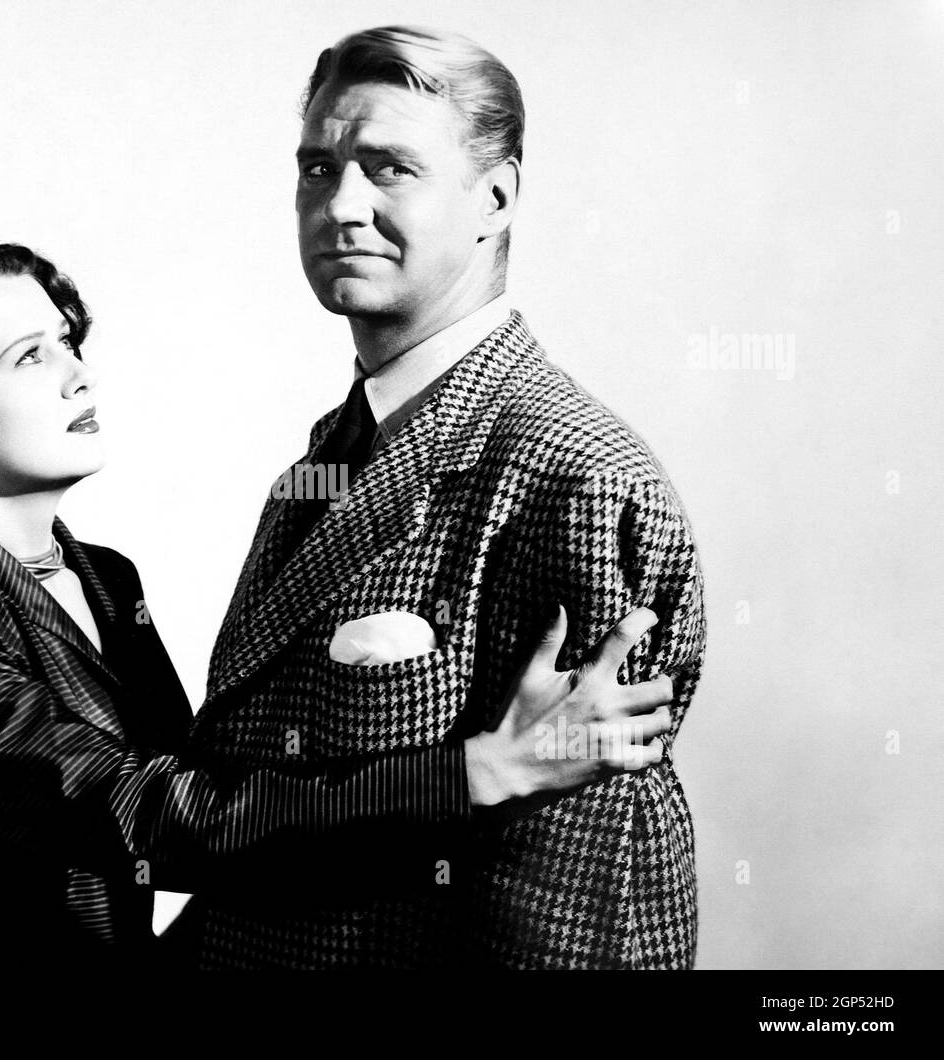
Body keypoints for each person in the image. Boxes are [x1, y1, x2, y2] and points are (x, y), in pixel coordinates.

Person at [0, 236, 673, 969]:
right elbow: (155, 818)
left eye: (69, 341)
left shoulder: (104, 575)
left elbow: (211, 780)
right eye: (29, 357)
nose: (76, 375)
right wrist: (483, 770)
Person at [184, 25, 707, 969]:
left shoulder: (578, 477)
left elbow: (576, 907)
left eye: (390, 169)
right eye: (317, 168)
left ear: (494, 199)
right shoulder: (331, 451)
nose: (340, 204)